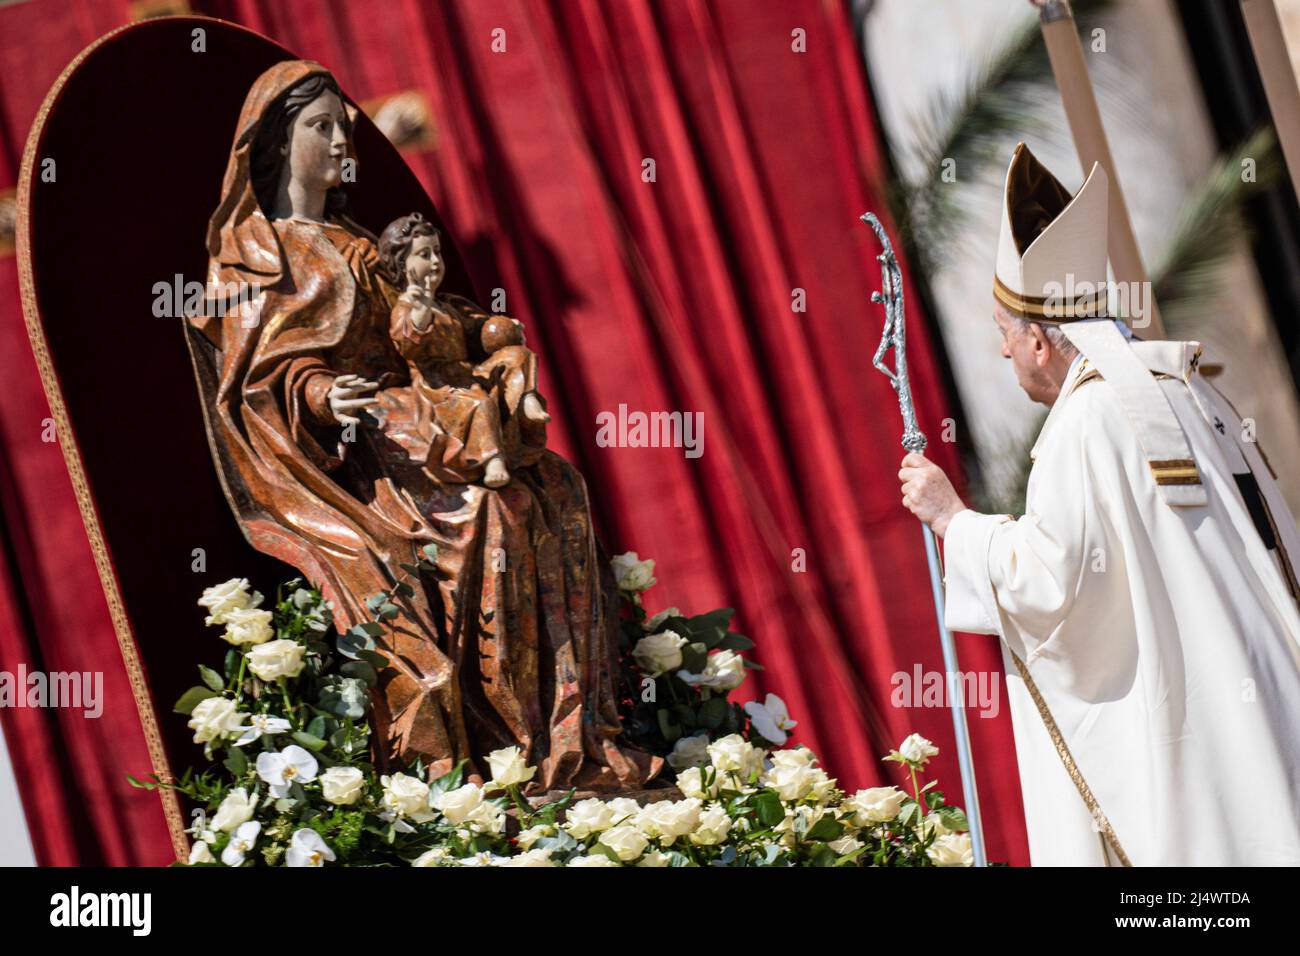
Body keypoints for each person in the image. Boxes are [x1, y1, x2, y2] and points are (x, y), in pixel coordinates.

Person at [193, 60, 658, 793]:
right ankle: (506, 751)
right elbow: (255, 383)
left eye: (344, 125)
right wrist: (320, 395)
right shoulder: (258, 259)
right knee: (486, 516)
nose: (344, 138)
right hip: (366, 461)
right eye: (322, 126)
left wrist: (486, 334)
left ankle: (575, 736)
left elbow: (427, 315)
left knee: (559, 488)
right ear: (277, 144)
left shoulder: (360, 239)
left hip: (428, 419)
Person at [897, 142, 1300, 865]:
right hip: (1266, 690)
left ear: (1040, 343)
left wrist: (952, 520)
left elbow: (1051, 582)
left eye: (1004, 335)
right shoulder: (1184, 385)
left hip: (1201, 733)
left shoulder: (1086, 422)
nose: (1002, 355)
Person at [376, 212, 549, 490]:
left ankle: (526, 400)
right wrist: (422, 309)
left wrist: (499, 327)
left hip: (466, 372)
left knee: (517, 355)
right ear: (402, 264)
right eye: (423, 254)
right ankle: (492, 460)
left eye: (437, 253)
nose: (434, 261)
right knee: (480, 403)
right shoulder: (408, 308)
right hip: (439, 387)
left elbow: (474, 329)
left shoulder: (446, 305)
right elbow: (407, 341)